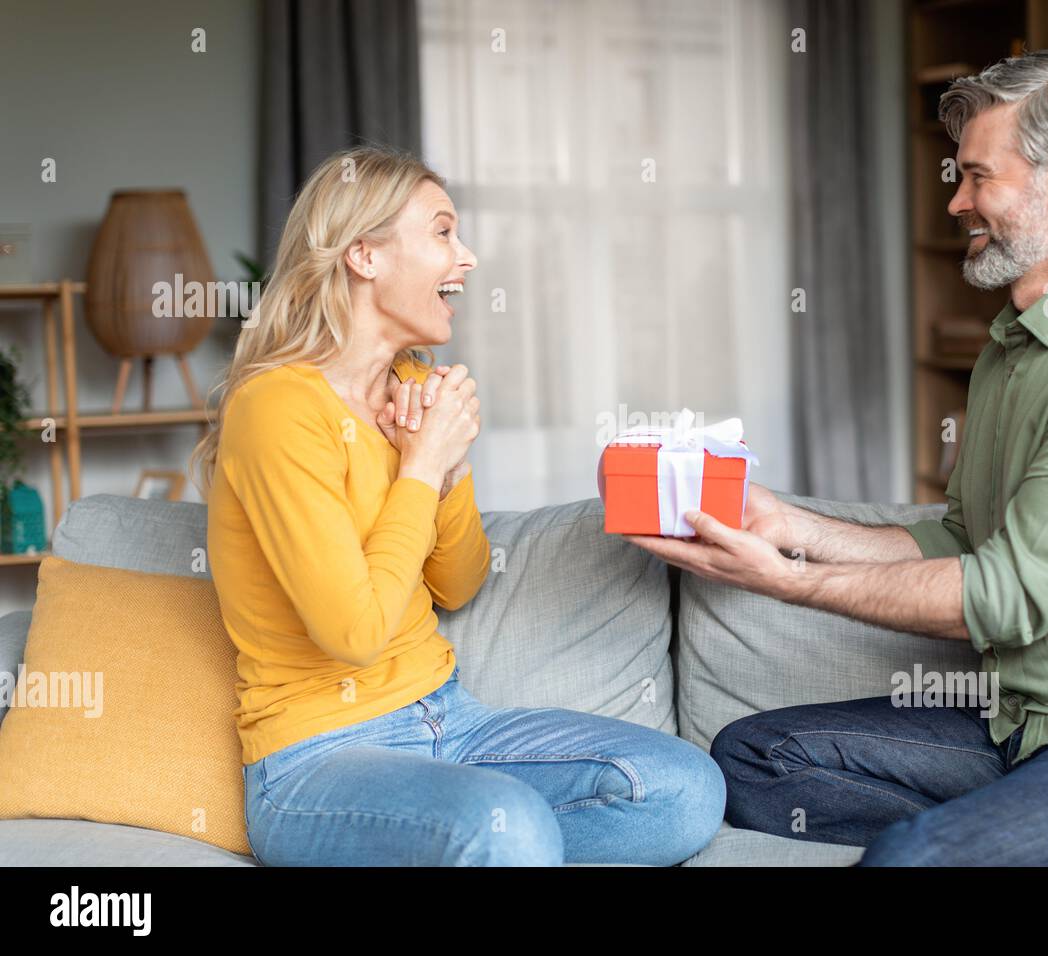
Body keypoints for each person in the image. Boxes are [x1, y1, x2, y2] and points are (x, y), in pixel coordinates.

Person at [627, 50, 1048, 866]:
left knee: (918, 858)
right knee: (757, 760)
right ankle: (1020, 823)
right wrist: (785, 523)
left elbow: (1004, 595)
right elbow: (965, 540)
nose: (957, 200)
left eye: (979, 177)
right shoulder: (1011, 346)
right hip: (1024, 725)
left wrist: (785, 580)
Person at [194, 145, 724, 866]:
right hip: (317, 760)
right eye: (443, 232)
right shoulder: (278, 408)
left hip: (451, 720)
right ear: (364, 256)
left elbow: (459, 583)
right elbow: (353, 631)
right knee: (508, 826)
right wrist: (422, 463)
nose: (467, 258)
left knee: (682, 787)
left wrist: (448, 470)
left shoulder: (411, 385)